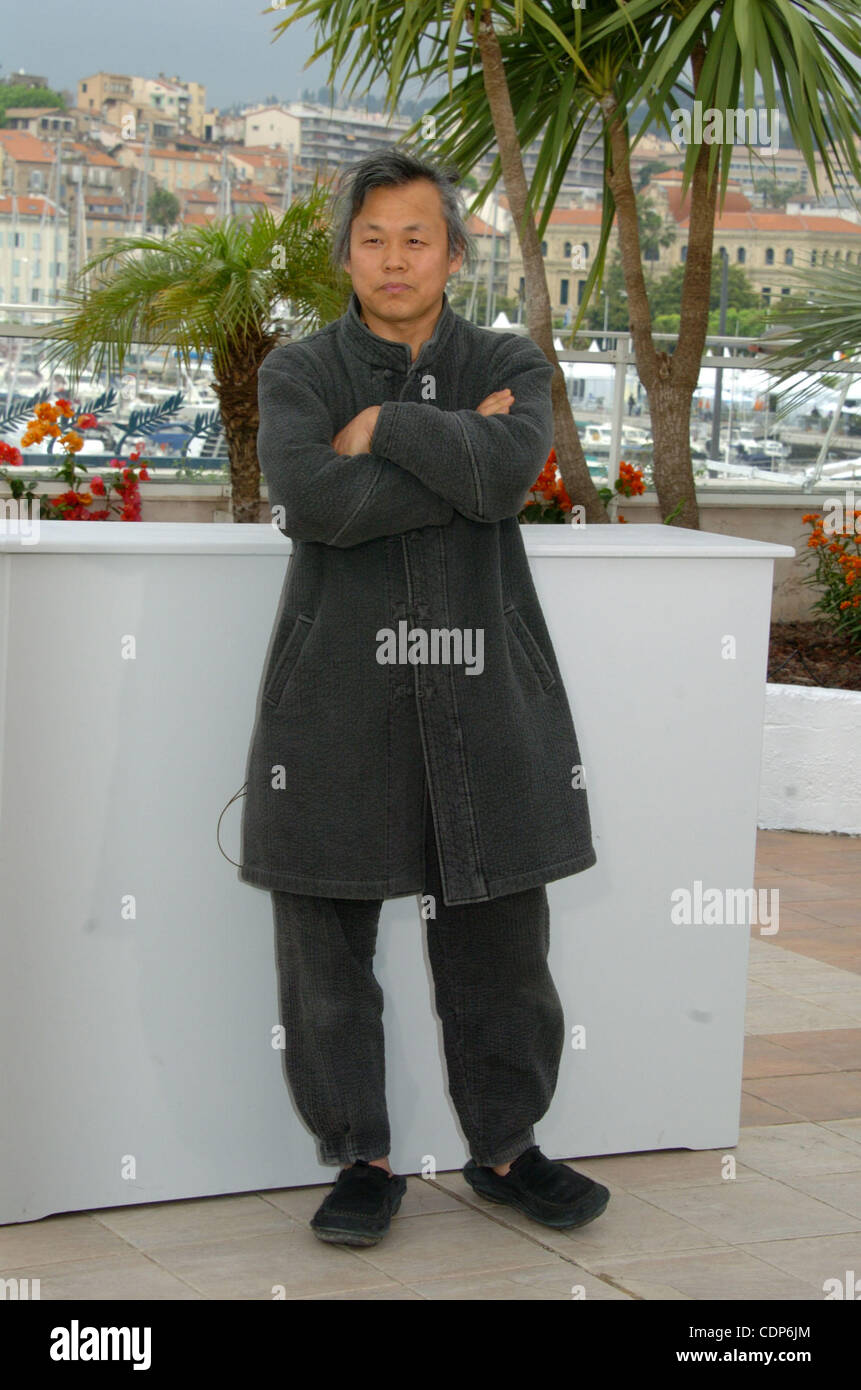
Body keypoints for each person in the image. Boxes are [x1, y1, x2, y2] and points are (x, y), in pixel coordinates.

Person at [242, 148, 609, 1248]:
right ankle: (360, 1157)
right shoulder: (300, 373)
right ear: (344, 253)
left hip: (487, 693)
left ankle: (508, 1150)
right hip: (334, 699)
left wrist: (387, 429)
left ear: (455, 250)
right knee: (325, 940)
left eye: (417, 237)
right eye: (373, 238)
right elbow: (316, 500)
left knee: (502, 934)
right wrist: (450, 453)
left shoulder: (508, 357)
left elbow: (506, 478)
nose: (394, 258)